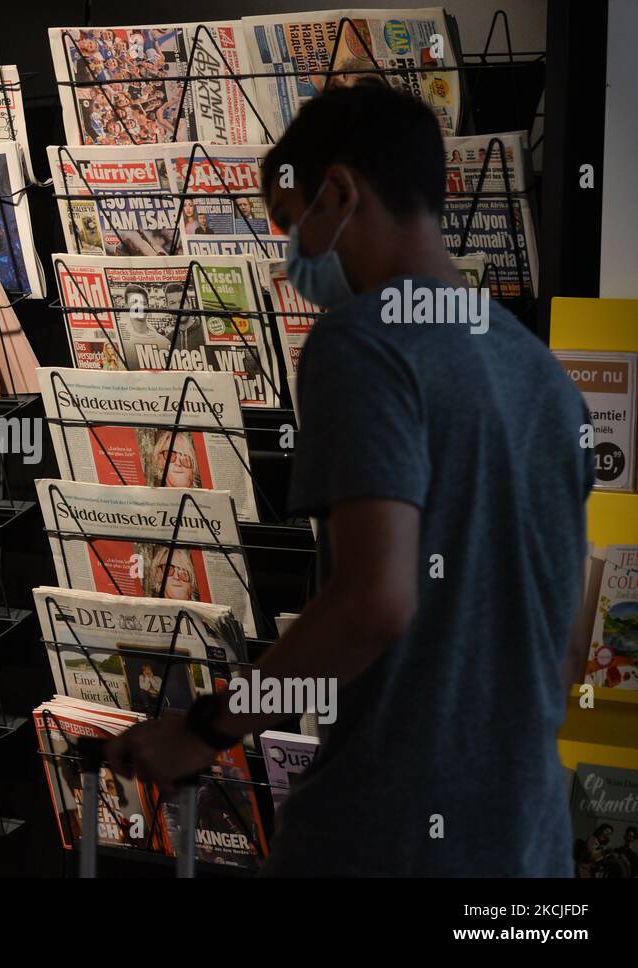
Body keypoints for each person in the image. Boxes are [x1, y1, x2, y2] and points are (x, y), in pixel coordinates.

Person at [107, 84, 593, 876]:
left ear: (338, 192)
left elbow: (374, 601)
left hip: (388, 836)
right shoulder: (544, 378)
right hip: (528, 846)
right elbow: (569, 652)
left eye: (292, 223)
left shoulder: (362, 344)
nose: (294, 254)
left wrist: (205, 730)